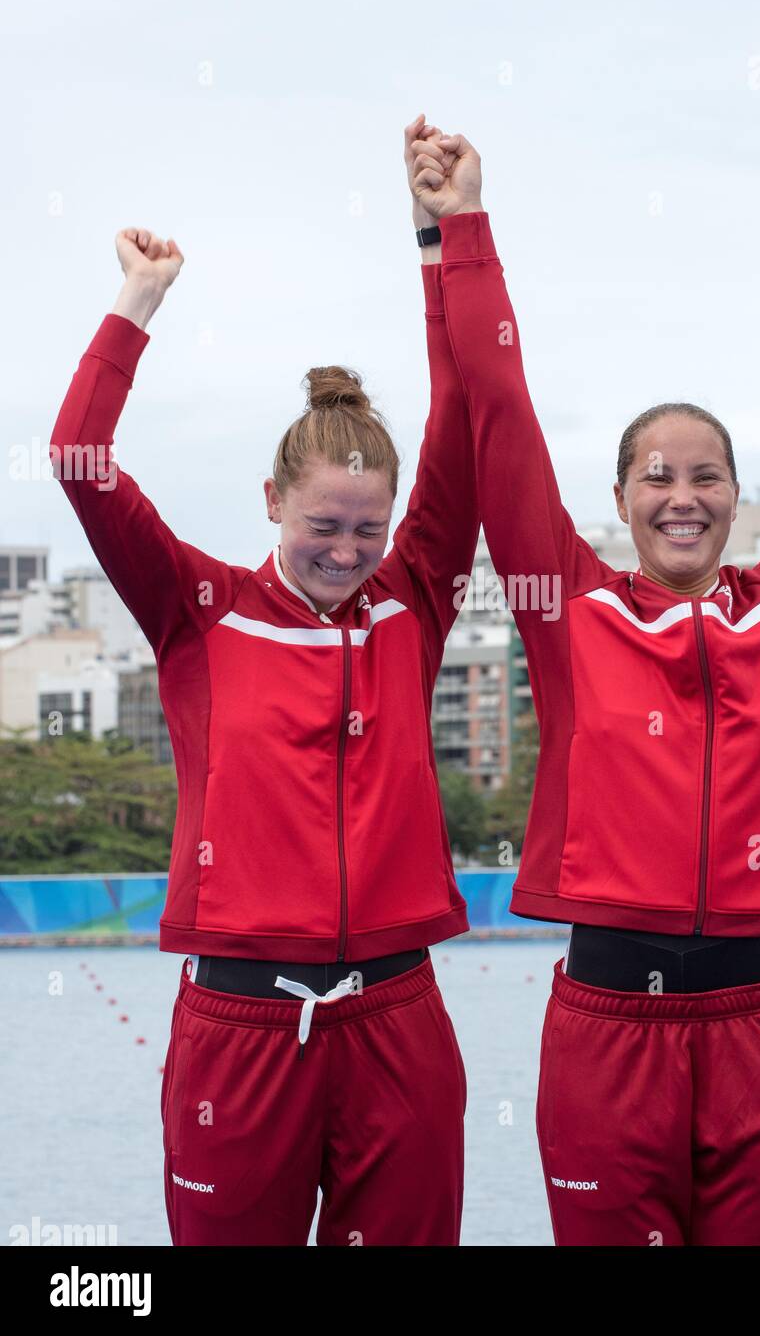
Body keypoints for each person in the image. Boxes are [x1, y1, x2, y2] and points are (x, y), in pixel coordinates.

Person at [408, 132, 760, 1244]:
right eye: (655, 474)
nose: (680, 494)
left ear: (734, 495)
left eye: (704, 474)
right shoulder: (567, 608)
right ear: (617, 497)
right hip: (607, 1031)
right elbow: (499, 412)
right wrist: (461, 228)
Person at [51, 115, 477, 1246]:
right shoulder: (198, 610)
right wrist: (136, 304)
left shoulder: (416, 601)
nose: (348, 550)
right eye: (324, 525)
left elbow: (470, 419)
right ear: (272, 501)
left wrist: (441, 238)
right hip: (237, 1031)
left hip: (397, 1022)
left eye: (369, 529)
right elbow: (80, 463)